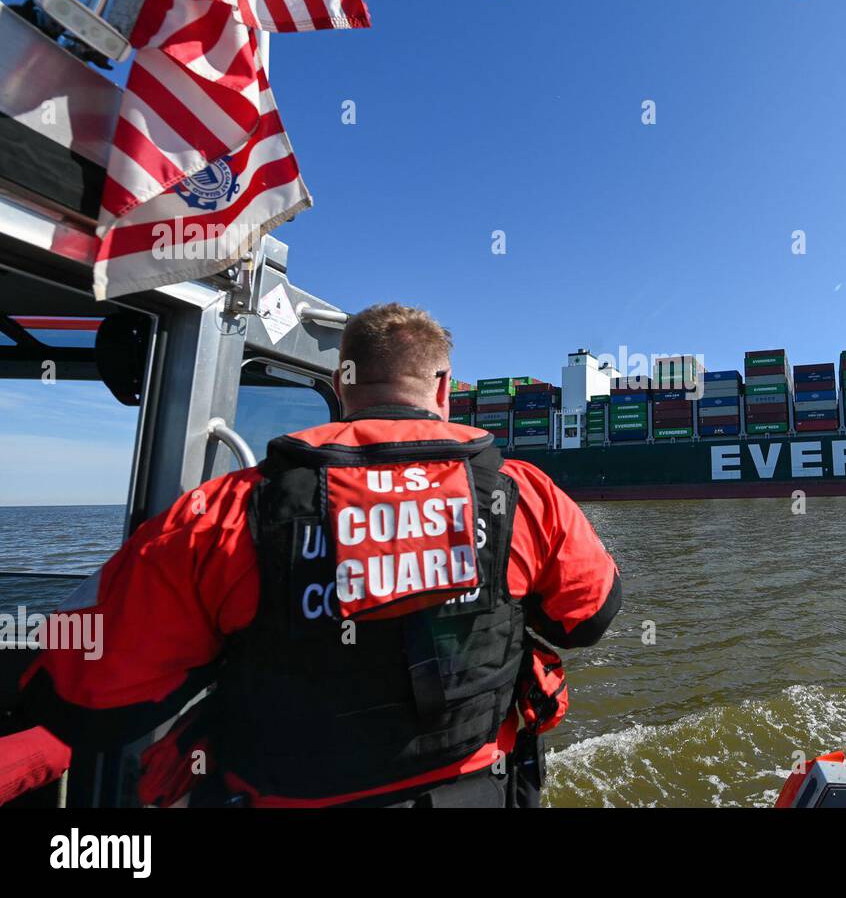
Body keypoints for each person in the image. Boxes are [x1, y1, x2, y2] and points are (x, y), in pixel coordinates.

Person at [15, 303, 620, 807]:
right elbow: (588, 620)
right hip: (474, 789)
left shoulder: (225, 509)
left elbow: (89, 689)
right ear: (443, 387)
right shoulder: (524, 494)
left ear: (341, 383)